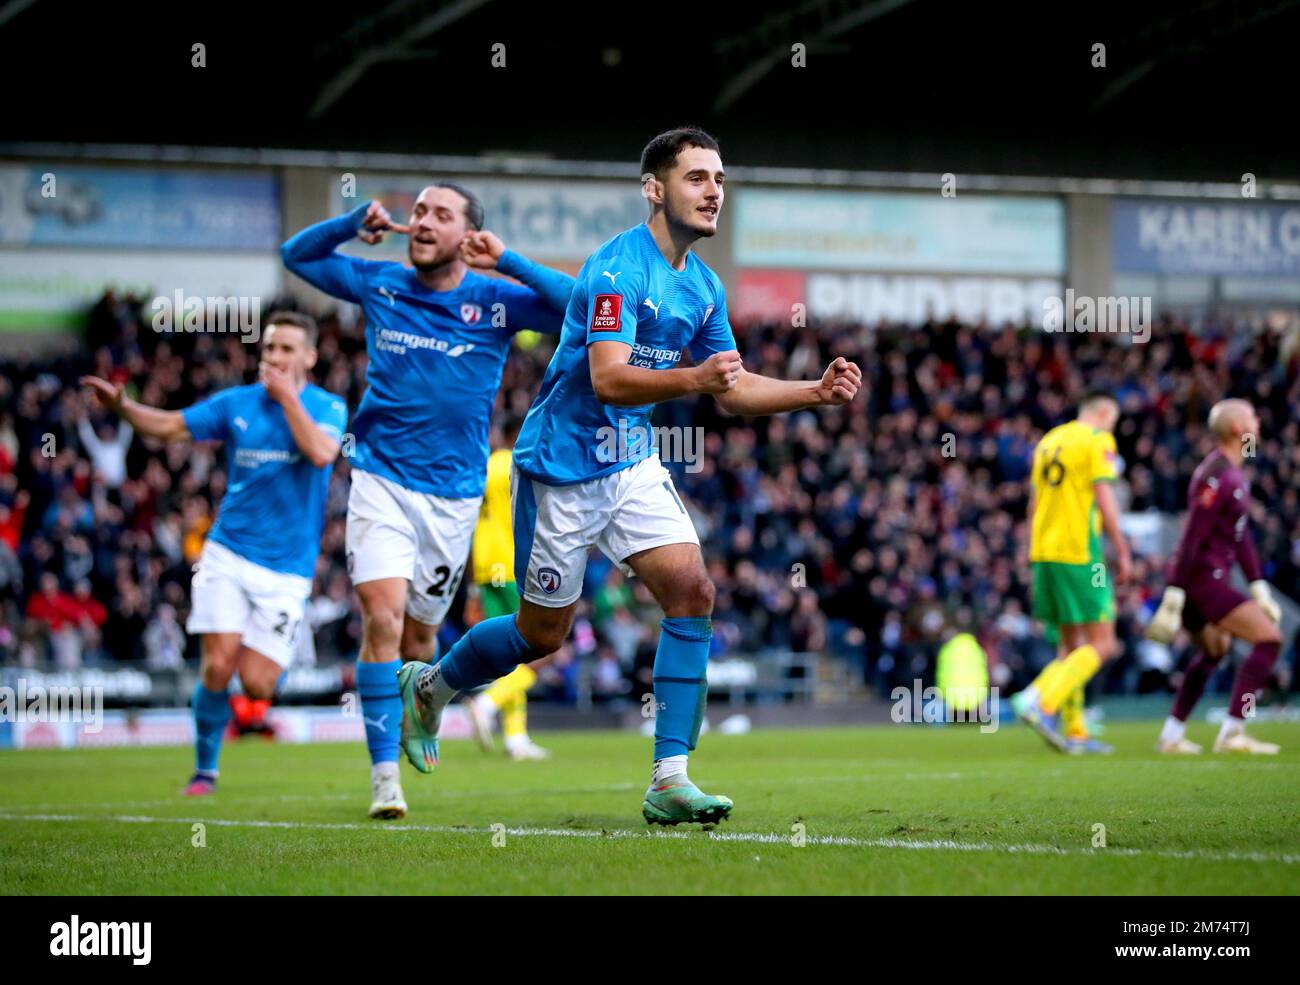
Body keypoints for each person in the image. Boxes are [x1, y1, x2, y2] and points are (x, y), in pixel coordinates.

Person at [396, 127, 862, 826]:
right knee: (540, 636)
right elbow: (609, 379)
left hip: (631, 461)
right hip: (561, 467)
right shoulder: (620, 267)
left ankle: (669, 777)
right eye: (697, 178)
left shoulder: (702, 284)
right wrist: (693, 378)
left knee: (693, 590)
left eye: (720, 179)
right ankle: (429, 687)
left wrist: (813, 392)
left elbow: (730, 389)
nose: (714, 192)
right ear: (655, 189)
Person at [281, 182, 574, 818]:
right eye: (417, 212)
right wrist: (348, 224)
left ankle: (424, 702)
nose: (421, 222)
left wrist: (511, 262)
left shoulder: (494, 299)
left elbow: (582, 307)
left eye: (440, 215)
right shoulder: (380, 282)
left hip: (453, 497)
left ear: (468, 236)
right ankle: (384, 776)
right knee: (381, 622)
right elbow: (296, 255)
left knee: (418, 641)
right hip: (381, 480)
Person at [82, 312, 347, 797]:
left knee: (258, 685)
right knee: (218, 667)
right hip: (227, 554)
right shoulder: (236, 403)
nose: (275, 357)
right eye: (269, 348)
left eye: (287, 349)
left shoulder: (328, 407)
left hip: (288, 570)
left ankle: (260, 679)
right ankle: (205, 771)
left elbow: (322, 454)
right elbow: (168, 428)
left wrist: (288, 398)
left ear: (309, 356)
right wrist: (124, 408)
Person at [1148, 399, 1283, 755]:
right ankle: (1233, 730)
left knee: (1215, 651)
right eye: (1252, 415)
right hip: (1203, 581)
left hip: (1206, 580)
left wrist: (1259, 587)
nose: (1258, 419)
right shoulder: (1217, 474)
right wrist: (1175, 591)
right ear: (1238, 429)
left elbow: (1240, 539)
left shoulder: (1233, 472)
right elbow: (1192, 534)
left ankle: (1171, 735)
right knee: (1269, 640)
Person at [1013, 392, 1132, 750]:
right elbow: (1104, 498)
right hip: (1079, 552)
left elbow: (1034, 504)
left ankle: (1075, 729)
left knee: (1071, 645)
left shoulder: (1048, 441)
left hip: (1044, 552)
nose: (1114, 426)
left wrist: (1028, 551)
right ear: (1104, 412)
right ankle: (1039, 698)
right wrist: (1122, 550)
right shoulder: (1097, 440)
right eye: (1114, 419)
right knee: (1104, 643)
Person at [463, 416, 551, 760]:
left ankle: (515, 738)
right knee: (546, 648)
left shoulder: (480, 470)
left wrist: (471, 589)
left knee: (514, 655)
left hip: (487, 569)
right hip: (513, 567)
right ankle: (487, 704)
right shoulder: (512, 465)